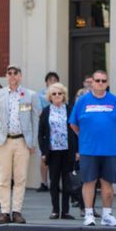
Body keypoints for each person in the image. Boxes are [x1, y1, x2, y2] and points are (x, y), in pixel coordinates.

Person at [70, 69, 116, 227]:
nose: (100, 83)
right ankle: (89, 215)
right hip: (88, 150)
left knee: (108, 183)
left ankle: (107, 215)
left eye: (103, 81)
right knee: (89, 182)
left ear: (107, 83)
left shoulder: (114, 100)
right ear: (92, 82)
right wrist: (85, 136)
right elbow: (73, 123)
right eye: (97, 80)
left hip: (110, 150)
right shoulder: (82, 101)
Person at [0, 64, 42, 225]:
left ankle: (17, 211)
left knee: (20, 178)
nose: (12, 76)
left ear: (20, 76)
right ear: (6, 76)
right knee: (4, 178)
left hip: (22, 141)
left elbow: (35, 120)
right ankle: (4, 212)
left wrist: (32, 142)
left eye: (15, 73)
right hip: (4, 140)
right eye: (9, 73)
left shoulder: (30, 95)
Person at [38, 82, 78, 219]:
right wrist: (43, 152)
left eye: (59, 93)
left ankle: (65, 211)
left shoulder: (70, 110)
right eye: (54, 94)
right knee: (54, 181)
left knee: (67, 182)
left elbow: (75, 131)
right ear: (50, 96)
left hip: (67, 150)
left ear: (64, 95)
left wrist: (77, 151)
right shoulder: (46, 111)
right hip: (52, 151)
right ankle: (55, 210)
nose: (57, 96)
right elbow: (41, 133)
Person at [37, 71, 61, 192]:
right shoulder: (40, 95)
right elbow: (39, 112)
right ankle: (44, 182)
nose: (52, 82)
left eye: (55, 80)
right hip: (46, 128)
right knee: (44, 156)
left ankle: (55, 183)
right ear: (46, 82)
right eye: (50, 80)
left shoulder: (61, 94)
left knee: (58, 157)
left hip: (58, 131)